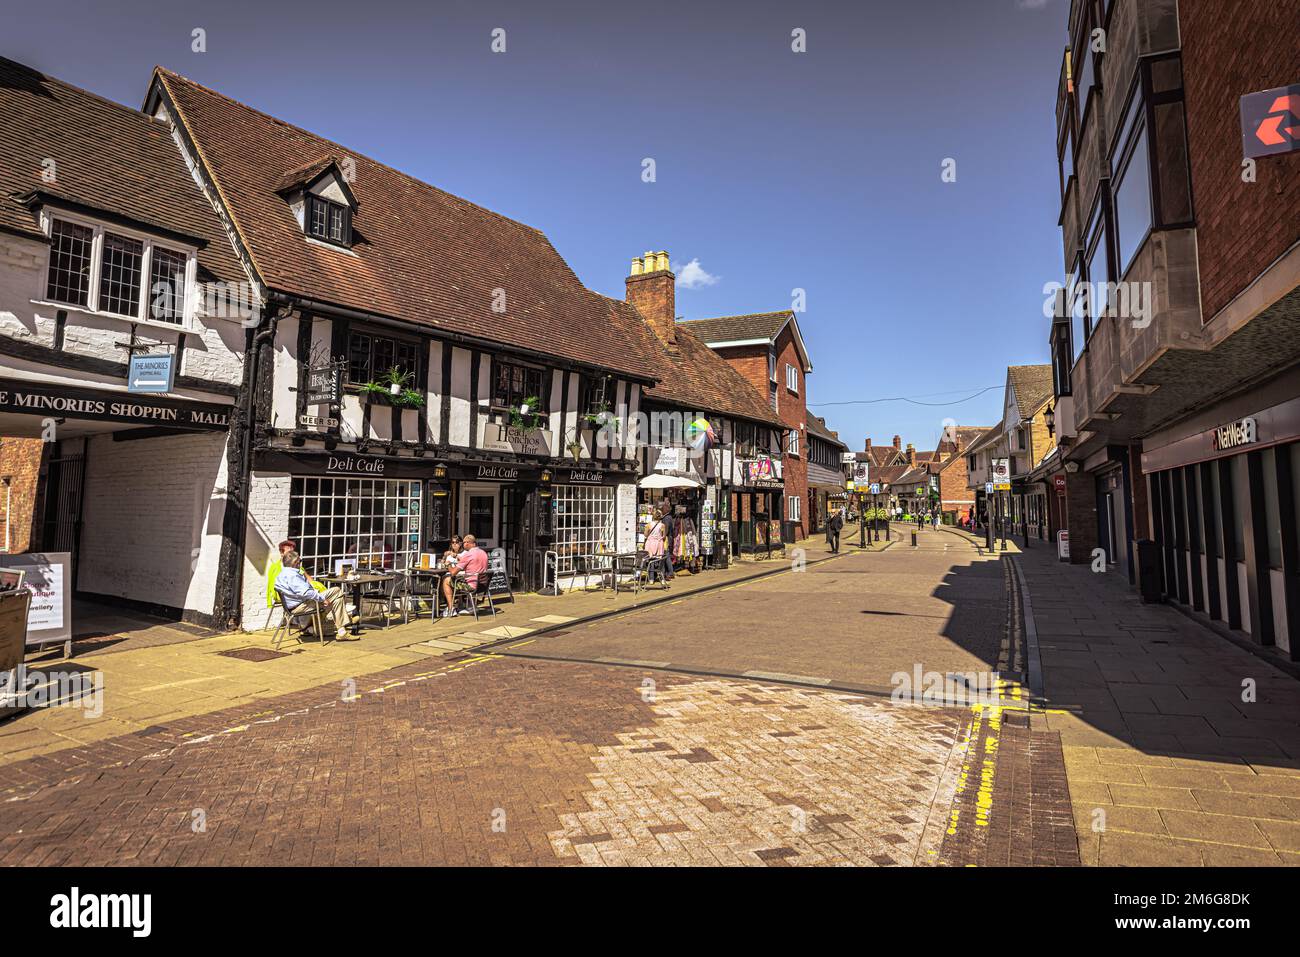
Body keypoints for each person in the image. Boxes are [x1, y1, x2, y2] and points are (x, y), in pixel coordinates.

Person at [274, 550, 348, 636]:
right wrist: (322, 599)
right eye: (300, 560)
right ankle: (343, 626)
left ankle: (341, 631)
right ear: (295, 562)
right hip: (301, 606)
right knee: (337, 590)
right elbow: (307, 593)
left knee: (337, 601)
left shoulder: (282, 573)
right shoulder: (292, 575)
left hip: (295, 606)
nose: (300, 563)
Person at [443, 533, 489, 615]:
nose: (462, 544)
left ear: (467, 543)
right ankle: (467, 605)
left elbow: (453, 573)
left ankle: (451, 609)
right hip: (483, 585)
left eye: (463, 543)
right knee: (459, 579)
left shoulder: (468, 555)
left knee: (446, 580)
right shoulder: (483, 553)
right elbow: (473, 566)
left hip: (471, 586)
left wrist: (448, 564)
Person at [644, 509, 669, 585]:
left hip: (650, 544)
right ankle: (662, 579)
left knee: (651, 561)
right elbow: (664, 536)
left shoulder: (648, 525)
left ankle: (651, 579)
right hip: (659, 544)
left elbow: (645, 535)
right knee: (660, 561)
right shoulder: (662, 525)